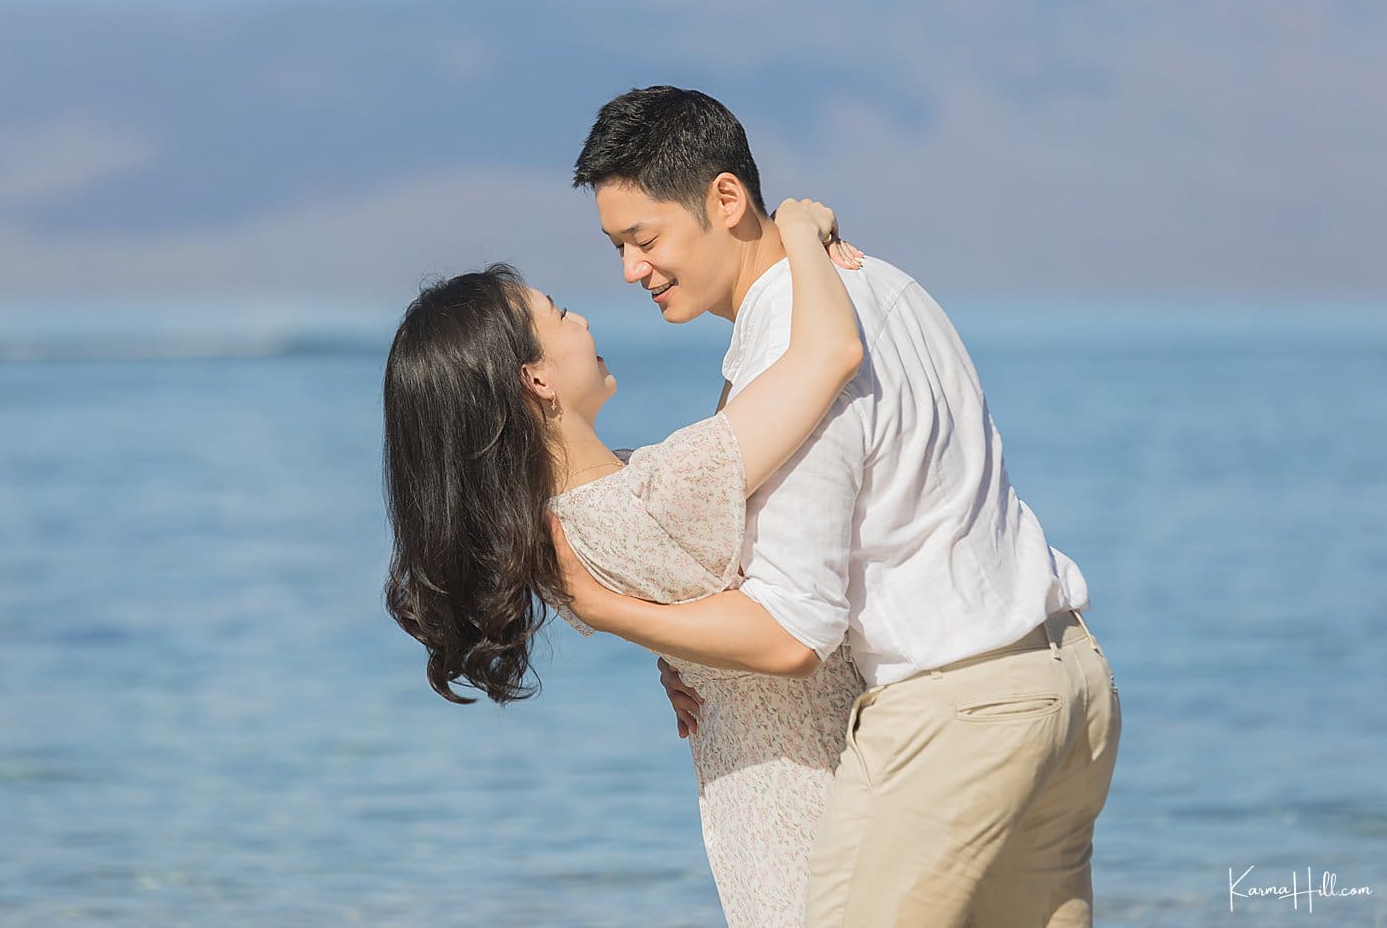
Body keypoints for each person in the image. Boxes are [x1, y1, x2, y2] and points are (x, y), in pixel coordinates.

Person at [552, 85, 1122, 927]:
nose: (630, 270)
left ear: (726, 198)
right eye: (618, 246)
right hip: (1069, 682)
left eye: (643, 239)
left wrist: (607, 607)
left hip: (957, 714)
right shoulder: (877, 278)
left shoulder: (792, 343)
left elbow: (793, 630)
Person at [381, 193, 872, 926]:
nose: (581, 320)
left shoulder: (567, 527)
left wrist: (654, 637)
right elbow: (832, 352)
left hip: (759, 824)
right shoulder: (659, 489)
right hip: (821, 823)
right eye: (557, 313)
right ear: (536, 379)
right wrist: (799, 231)